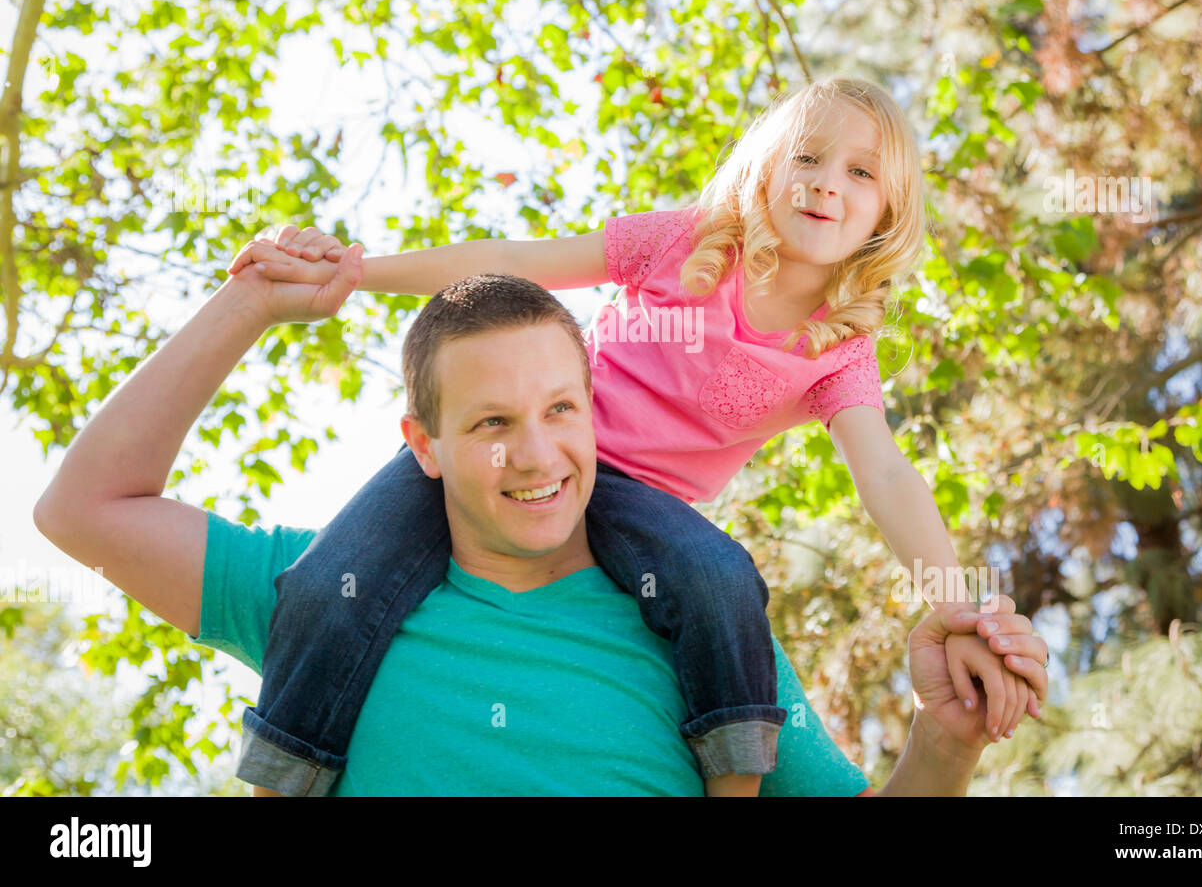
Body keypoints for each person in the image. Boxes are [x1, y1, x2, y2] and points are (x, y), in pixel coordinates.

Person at [228, 76, 1038, 798]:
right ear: (766, 170)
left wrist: (956, 606)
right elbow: (514, 262)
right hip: (529, 449)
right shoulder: (686, 244)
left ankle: (734, 781)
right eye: (810, 159)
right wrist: (357, 272)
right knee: (325, 578)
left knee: (721, 579)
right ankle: (287, 774)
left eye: (861, 173)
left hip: (638, 507)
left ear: (886, 211)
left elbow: (887, 477)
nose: (828, 185)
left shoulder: (838, 352)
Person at [33, 254, 1050, 795]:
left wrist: (946, 743)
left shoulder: (703, 630)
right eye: (489, 423)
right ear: (420, 444)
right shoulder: (325, 593)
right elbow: (85, 507)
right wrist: (248, 299)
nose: (536, 454)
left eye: (561, 410)